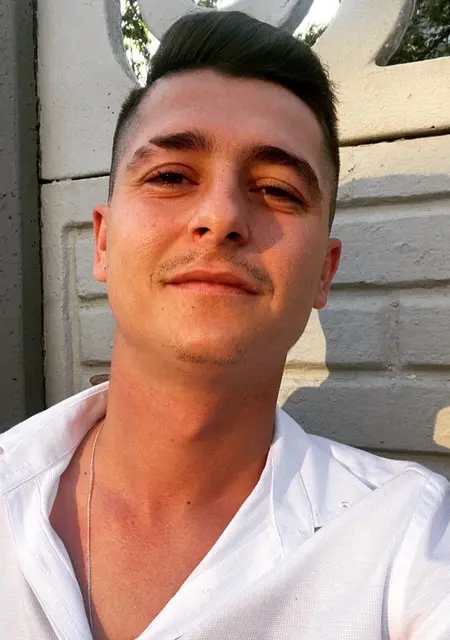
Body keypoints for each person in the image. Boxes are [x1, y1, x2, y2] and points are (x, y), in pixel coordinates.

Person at [1, 9, 449, 640]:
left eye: (277, 190)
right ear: (102, 243)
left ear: (323, 273)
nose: (221, 216)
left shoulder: (410, 542)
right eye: (171, 176)